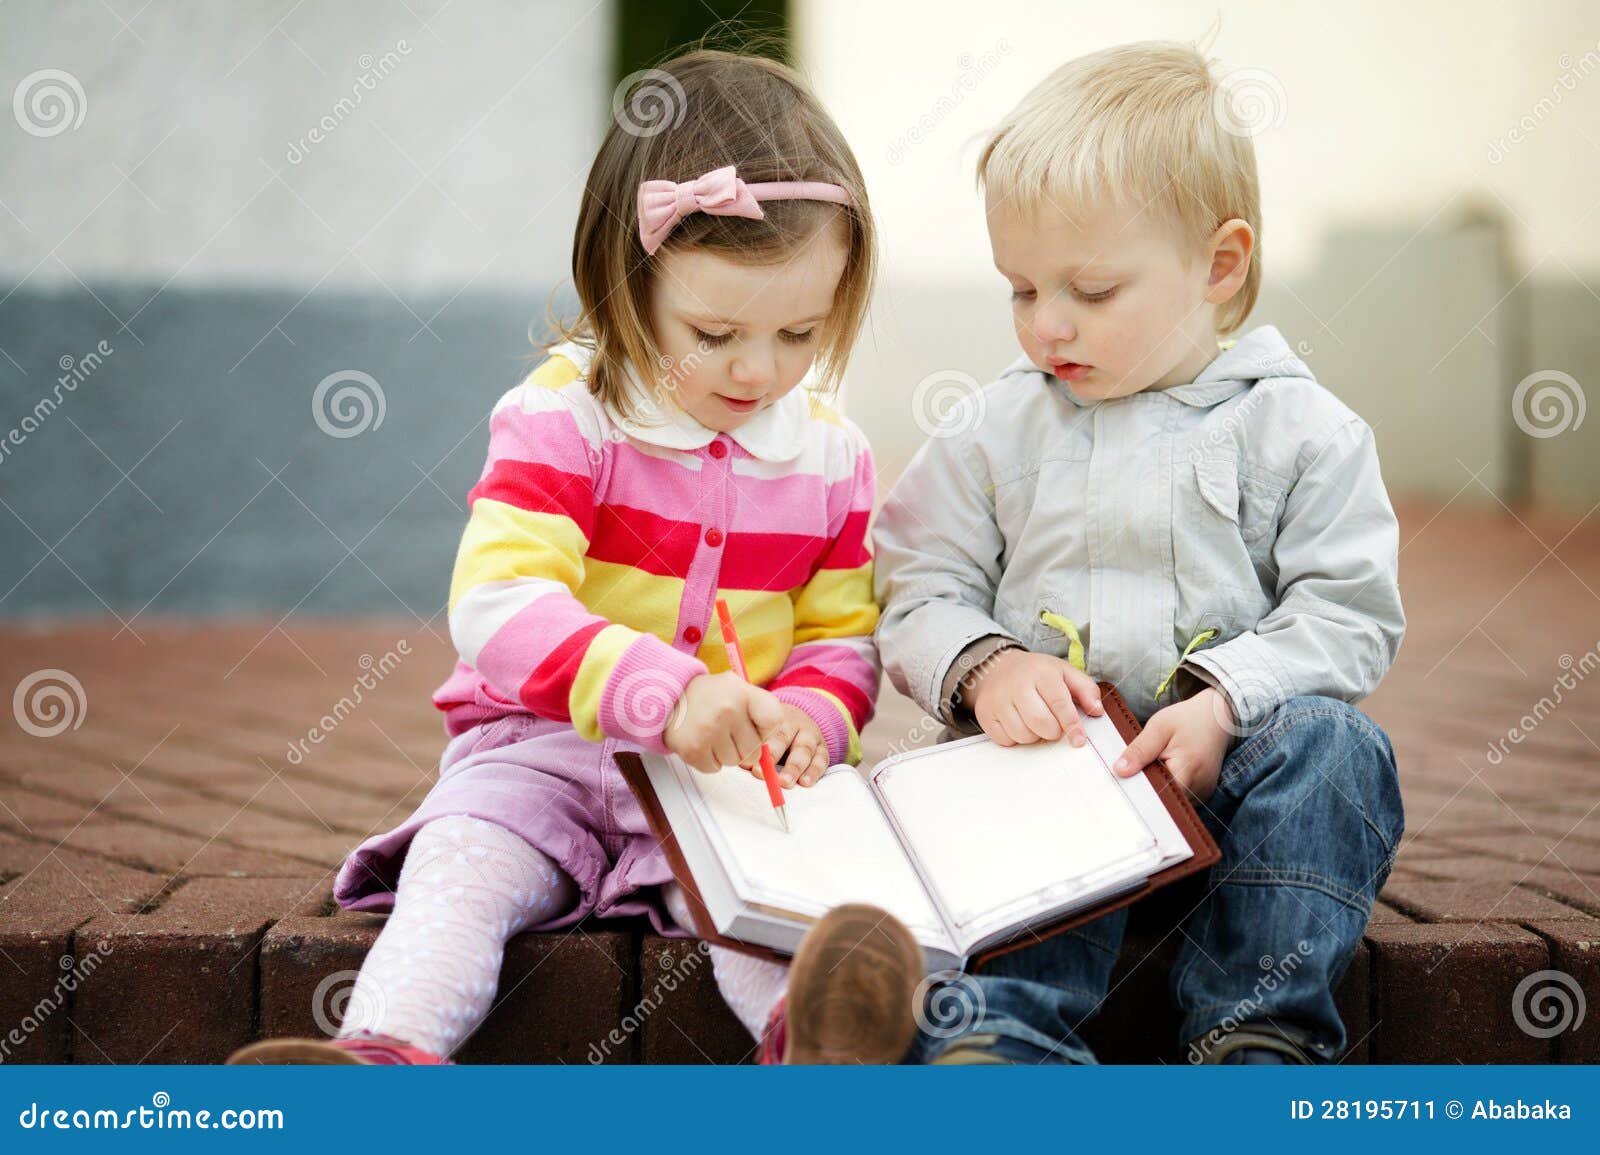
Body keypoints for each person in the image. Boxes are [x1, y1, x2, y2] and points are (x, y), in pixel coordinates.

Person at [229, 48, 919, 1066]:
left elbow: (837, 636)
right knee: (458, 872)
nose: (756, 368)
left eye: (799, 332)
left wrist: (811, 718)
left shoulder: (830, 459)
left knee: (767, 910)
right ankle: (383, 1061)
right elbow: (500, 604)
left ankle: (815, 1060)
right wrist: (663, 689)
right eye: (715, 330)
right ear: (626, 279)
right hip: (534, 758)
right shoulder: (565, 420)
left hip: (716, 785)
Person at [873, 40, 1407, 1065]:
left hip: (1232, 782)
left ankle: (1258, 1031)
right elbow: (915, 579)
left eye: (1090, 289)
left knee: (1339, 751)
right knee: (1009, 771)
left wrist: (1223, 701)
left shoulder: (1303, 431)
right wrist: (989, 669)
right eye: (1021, 289)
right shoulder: (993, 430)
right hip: (1062, 787)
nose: (1046, 325)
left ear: (1219, 264)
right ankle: (1002, 1037)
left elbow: (1347, 613)